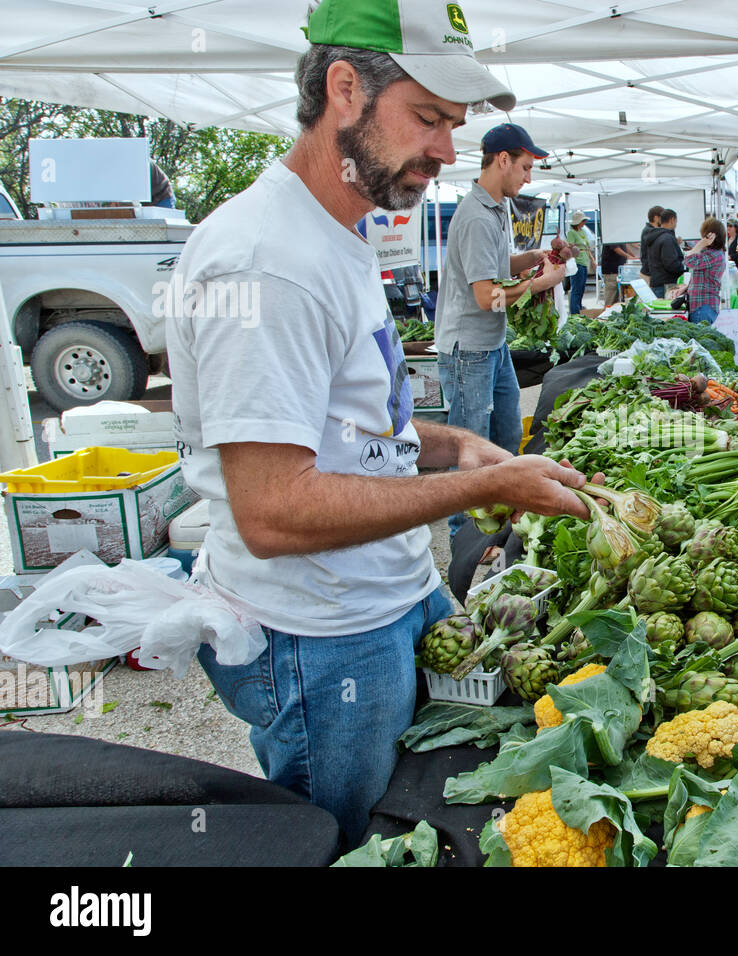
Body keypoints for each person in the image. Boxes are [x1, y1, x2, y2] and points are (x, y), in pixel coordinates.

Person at [166, 0, 593, 847]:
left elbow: (351, 426)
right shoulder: (267, 262)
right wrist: (480, 484)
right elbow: (274, 509)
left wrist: (453, 446)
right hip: (319, 640)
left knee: (424, 813)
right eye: (428, 118)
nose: (446, 148)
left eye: (455, 124)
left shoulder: (339, 233)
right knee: (353, 844)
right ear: (344, 88)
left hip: (384, 598)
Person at [436, 121, 567, 545]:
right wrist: (538, 285)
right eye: (526, 167)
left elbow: (497, 265)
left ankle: (501, 520)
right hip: (468, 350)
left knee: (508, 436)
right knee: (473, 447)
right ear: (503, 160)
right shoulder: (476, 216)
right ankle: (464, 538)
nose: (529, 178)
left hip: (492, 346)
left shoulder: (496, 209)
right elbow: (485, 296)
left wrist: (535, 256)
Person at [682, 216, 726, 324]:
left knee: (698, 340)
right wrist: (687, 288)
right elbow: (702, 276)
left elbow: (688, 260)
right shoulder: (713, 253)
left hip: (702, 306)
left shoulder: (713, 255)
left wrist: (701, 243)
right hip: (703, 305)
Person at [643, 207, 684, 298]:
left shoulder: (655, 236)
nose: (676, 224)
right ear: (672, 220)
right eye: (676, 221)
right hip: (666, 285)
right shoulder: (667, 238)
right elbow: (670, 263)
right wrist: (683, 267)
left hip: (657, 282)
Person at [566, 210, 593, 315]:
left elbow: (587, 248)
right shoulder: (571, 233)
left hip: (584, 262)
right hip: (577, 263)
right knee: (576, 289)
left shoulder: (583, 232)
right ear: (578, 222)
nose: (584, 222)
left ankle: (579, 309)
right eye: (583, 220)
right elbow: (569, 246)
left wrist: (593, 261)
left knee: (581, 289)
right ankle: (575, 312)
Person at [601, 238, 631, 306]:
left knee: (617, 300)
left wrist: (633, 256)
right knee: (610, 300)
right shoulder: (611, 235)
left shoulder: (619, 234)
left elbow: (624, 247)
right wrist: (629, 256)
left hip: (619, 271)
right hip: (612, 272)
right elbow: (616, 248)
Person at [640, 204, 664, 282]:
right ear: (656, 218)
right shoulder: (648, 231)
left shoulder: (652, 231)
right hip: (648, 274)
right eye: (662, 217)